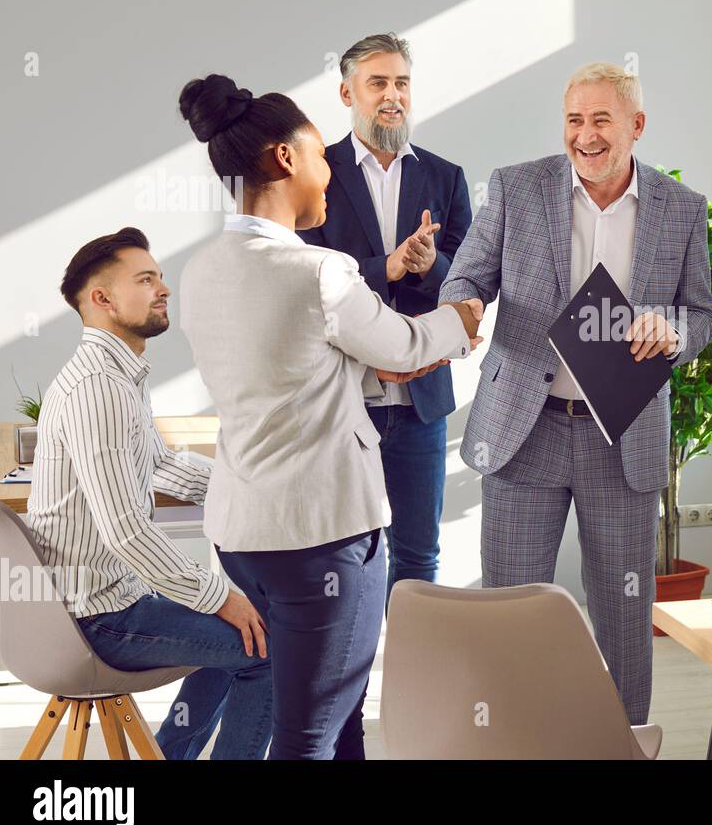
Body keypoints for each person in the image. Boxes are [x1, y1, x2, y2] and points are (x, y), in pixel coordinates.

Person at [176, 74, 482, 759]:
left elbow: (298, 363)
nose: (328, 173)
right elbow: (402, 348)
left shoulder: (200, 272)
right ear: (285, 160)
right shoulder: (319, 271)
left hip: (241, 536)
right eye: (319, 157)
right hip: (322, 537)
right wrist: (460, 318)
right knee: (312, 732)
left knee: (315, 717)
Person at [439, 62, 712, 726]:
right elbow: (464, 277)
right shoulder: (516, 188)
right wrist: (466, 309)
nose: (585, 136)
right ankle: (508, 742)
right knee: (513, 609)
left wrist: (671, 330)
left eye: (600, 120)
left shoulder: (682, 209)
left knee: (623, 615)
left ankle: (623, 744)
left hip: (621, 434)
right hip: (523, 431)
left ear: (636, 126)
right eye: (573, 120)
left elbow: (700, 315)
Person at [27, 227, 272, 760]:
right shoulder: (99, 388)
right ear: (102, 299)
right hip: (97, 619)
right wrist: (220, 597)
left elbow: (159, 465)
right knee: (267, 648)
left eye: (160, 277)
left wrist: (251, 487)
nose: (163, 289)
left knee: (239, 636)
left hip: (105, 602)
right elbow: (127, 532)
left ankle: (172, 754)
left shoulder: (115, 376)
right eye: (146, 279)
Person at [298, 32, 472, 601]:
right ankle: (346, 678)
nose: (392, 95)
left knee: (418, 554)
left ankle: (414, 681)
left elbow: (473, 280)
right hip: (343, 401)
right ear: (347, 92)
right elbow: (304, 277)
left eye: (401, 83)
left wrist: (428, 266)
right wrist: (385, 268)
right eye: (378, 83)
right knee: (344, 554)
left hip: (422, 407)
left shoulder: (445, 177)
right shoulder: (316, 173)